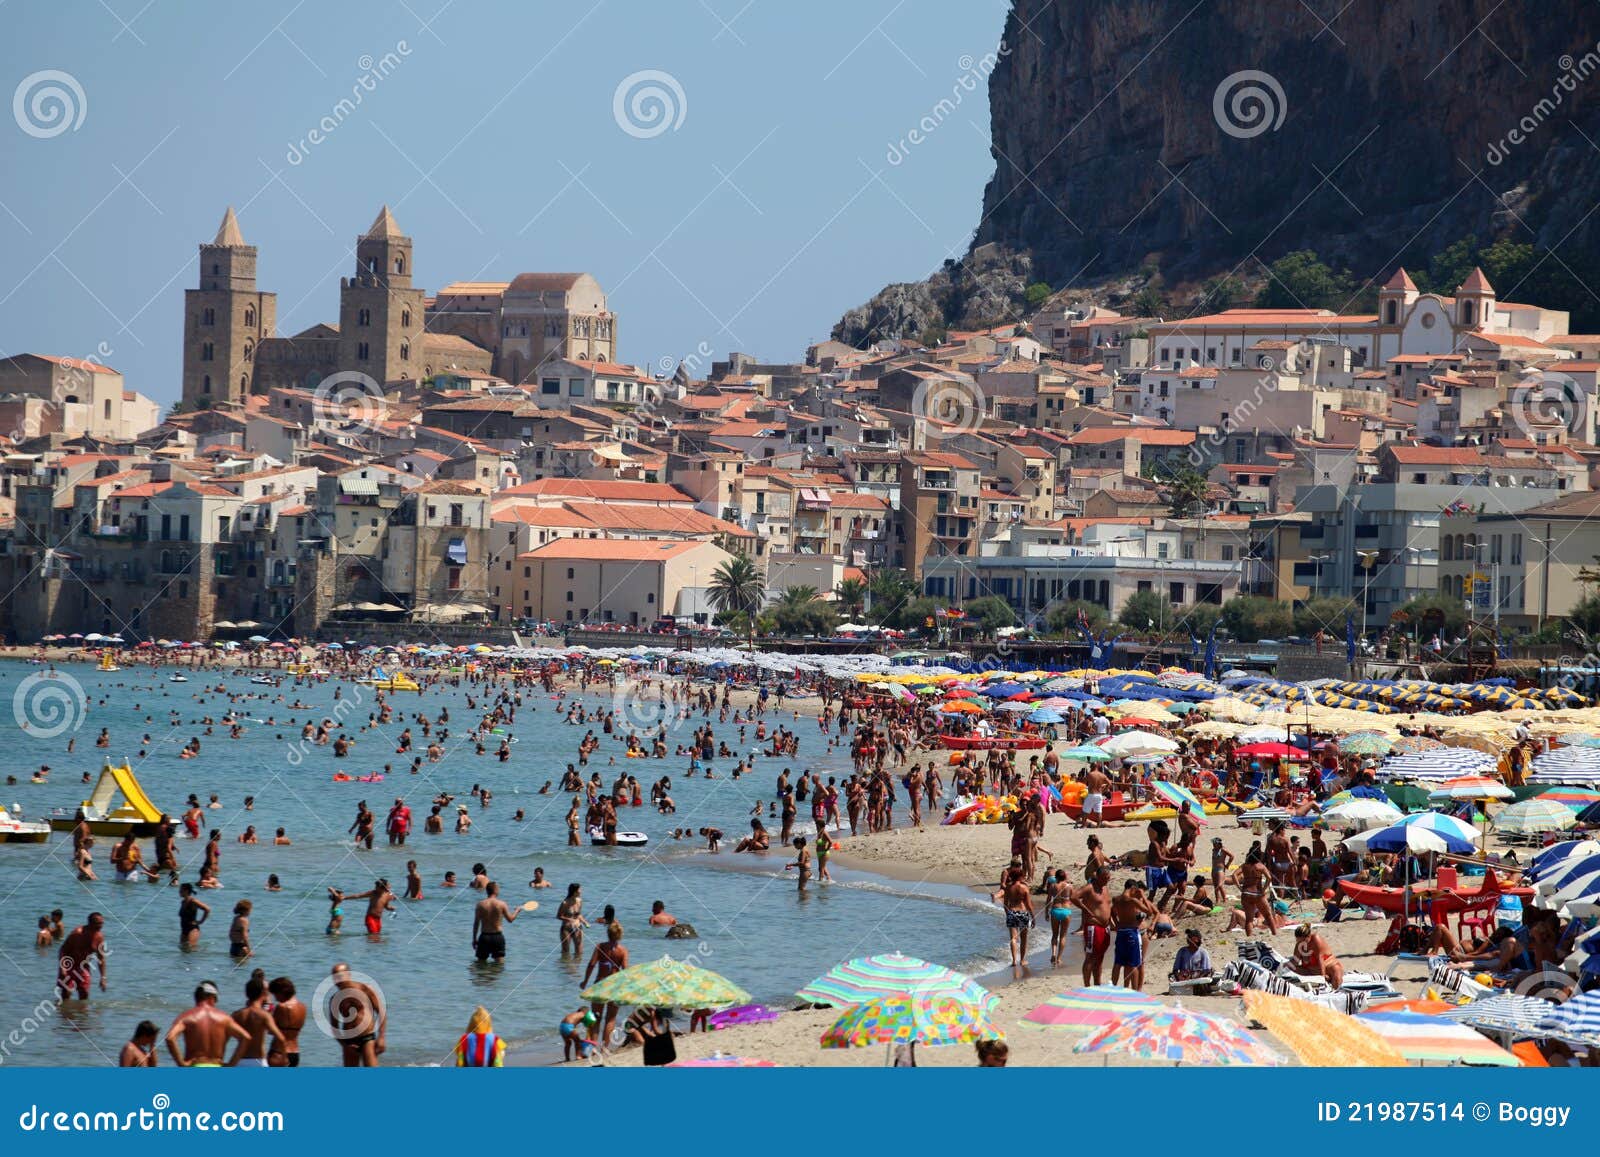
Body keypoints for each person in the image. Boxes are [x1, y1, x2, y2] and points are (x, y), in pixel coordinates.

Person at [164, 981, 249, 1067]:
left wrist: (181, 1063)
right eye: (216, 999)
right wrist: (231, 1064)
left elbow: (170, 1038)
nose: (215, 1002)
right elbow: (245, 1038)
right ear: (211, 997)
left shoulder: (187, 1017)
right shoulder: (225, 1018)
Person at [326, 962, 385, 1067]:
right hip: (349, 1042)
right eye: (334, 977)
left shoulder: (364, 989)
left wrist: (381, 1037)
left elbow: (381, 1012)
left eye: (339, 976)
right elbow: (334, 1027)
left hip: (367, 1038)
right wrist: (344, 1045)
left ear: (348, 974)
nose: (336, 980)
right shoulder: (335, 999)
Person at [581, 922, 629, 1047]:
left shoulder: (600, 946)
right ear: (620, 935)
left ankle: (593, 1047)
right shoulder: (622, 951)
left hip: (599, 985)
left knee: (596, 1017)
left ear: (608, 933)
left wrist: (585, 981)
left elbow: (591, 964)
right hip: (615, 986)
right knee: (610, 1019)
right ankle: (604, 1048)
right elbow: (625, 970)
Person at [227, 975, 284, 1066]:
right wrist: (284, 1059)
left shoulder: (237, 1015)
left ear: (246, 994)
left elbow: (224, 1037)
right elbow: (281, 1039)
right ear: (262, 993)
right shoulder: (264, 1015)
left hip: (240, 1061)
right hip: (259, 1061)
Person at [1072, 869, 1113, 986]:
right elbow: (1073, 897)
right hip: (1093, 927)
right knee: (1090, 957)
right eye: (1105, 877)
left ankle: (1097, 983)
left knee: (1100, 957)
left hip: (1105, 927)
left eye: (1108, 877)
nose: (1107, 880)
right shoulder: (1089, 888)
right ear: (1098, 876)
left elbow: (1108, 905)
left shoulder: (1105, 888)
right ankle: (1087, 985)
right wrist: (1085, 909)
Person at [56, 912, 107, 1000]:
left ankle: (82, 1012)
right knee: (66, 994)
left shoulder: (100, 937)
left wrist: (103, 977)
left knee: (84, 993)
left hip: (84, 967)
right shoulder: (77, 933)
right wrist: (63, 969)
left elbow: (101, 959)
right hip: (69, 966)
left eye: (102, 923)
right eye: (98, 923)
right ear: (90, 923)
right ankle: (64, 1012)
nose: (100, 926)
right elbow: (63, 950)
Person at [471, 881, 521, 962]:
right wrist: (517, 911)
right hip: (497, 937)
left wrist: (474, 939)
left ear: (487, 891)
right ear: (496, 890)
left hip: (484, 937)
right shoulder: (501, 904)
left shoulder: (480, 904)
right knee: (499, 966)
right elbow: (510, 919)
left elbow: (476, 923)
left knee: (480, 965)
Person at [267, 976, 306, 1067]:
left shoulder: (281, 1007)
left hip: (279, 1052)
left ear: (282, 992)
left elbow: (270, 1030)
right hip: (295, 1052)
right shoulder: (303, 1007)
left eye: (275, 994)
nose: (276, 998)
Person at [1291, 921, 1344, 988]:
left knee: (1336, 972)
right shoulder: (1299, 945)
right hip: (1311, 971)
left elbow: (1320, 958)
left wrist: (1322, 976)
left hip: (1328, 967)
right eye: (1298, 941)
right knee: (1290, 969)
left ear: (1309, 936)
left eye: (1303, 941)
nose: (1302, 943)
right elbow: (1295, 961)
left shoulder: (1316, 939)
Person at [1001, 865, 1034, 969]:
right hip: (1022, 912)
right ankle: (1023, 960)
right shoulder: (1024, 888)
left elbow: (1005, 904)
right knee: (1024, 938)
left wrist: (1008, 914)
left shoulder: (1008, 888)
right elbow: (1028, 905)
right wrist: (1033, 917)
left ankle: (1014, 960)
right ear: (1020, 877)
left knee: (1013, 938)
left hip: (1012, 912)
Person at [1045, 868, 1073, 968]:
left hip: (1055, 910)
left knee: (1054, 935)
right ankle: (1059, 957)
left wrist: (1046, 912)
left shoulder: (1052, 886)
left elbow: (1048, 899)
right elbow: (1073, 898)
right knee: (1063, 936)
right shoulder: (1069, 886)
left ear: (1056, 877)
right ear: (1064, 877)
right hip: (1066, 910)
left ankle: (1053, 953)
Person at [557, 883, 587, 955]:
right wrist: (569, 919)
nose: (581, 891)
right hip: (566, 929)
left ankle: (577, 966)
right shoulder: (565, 903)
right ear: (575, 891)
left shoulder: (580, 901)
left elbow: (578, 914)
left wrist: (584, 922)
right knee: (565, 953)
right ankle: (566, 965)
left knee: (579, 952)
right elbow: (558, 916)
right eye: (579, 890)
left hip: (577, 928)